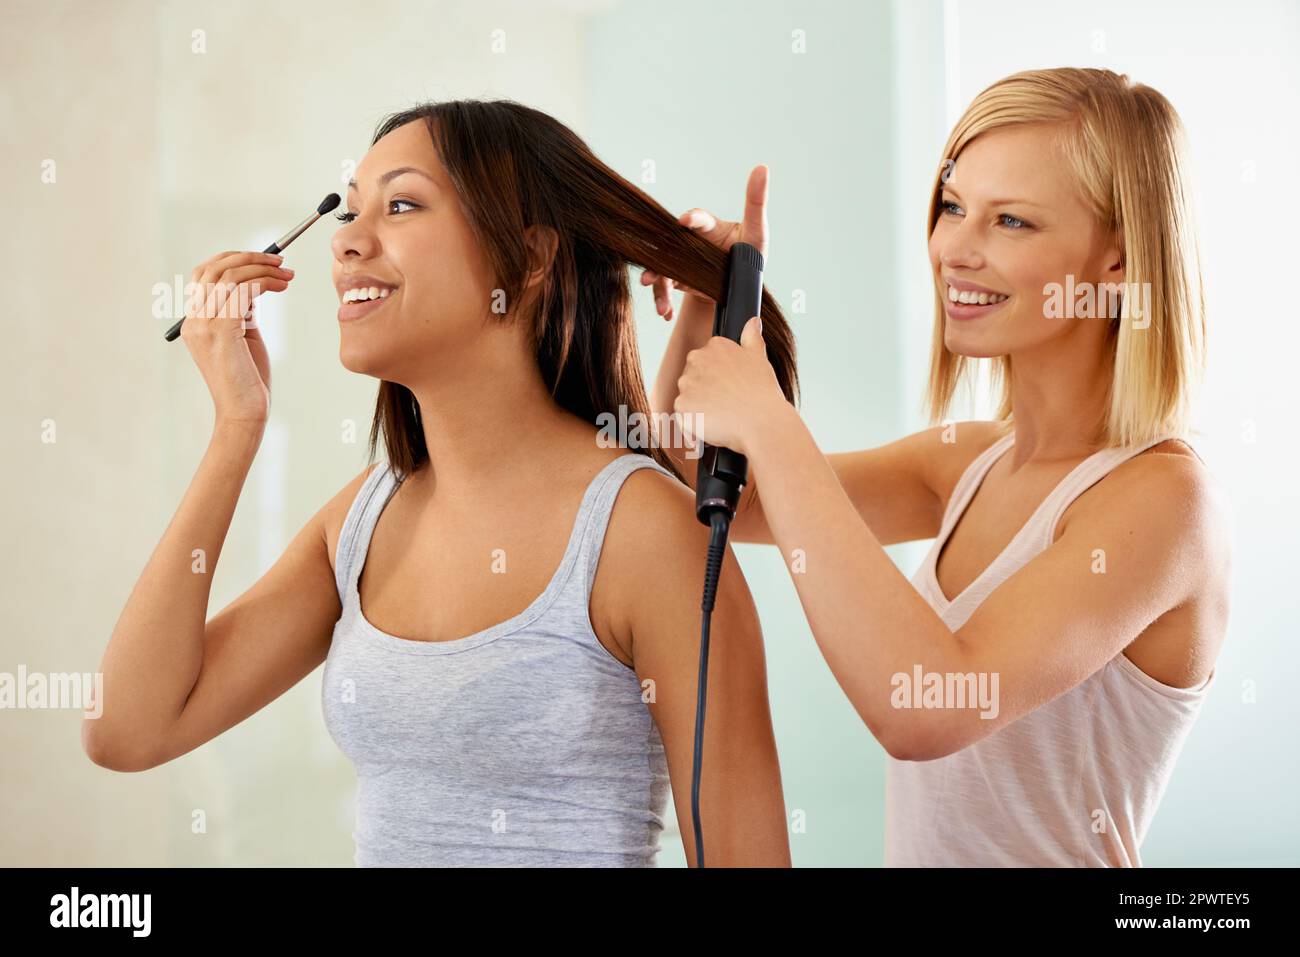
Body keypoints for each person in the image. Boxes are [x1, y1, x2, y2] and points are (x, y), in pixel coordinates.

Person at [84, 99, 798, 867]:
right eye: (349, 211)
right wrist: (235, 430)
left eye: (399, 204)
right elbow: (129, 728)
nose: (347, 242)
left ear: (529, 259)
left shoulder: (645, 533)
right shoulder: (364, 520)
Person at [650, 67, 1231, 867]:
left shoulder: (1166, 501)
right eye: (953, 207)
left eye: (1012, 222)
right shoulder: (965, 462)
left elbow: (923, 704)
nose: (956, 249)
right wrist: (712, 305)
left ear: (1117, 264)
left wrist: (772, 425)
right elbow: (717, 498)